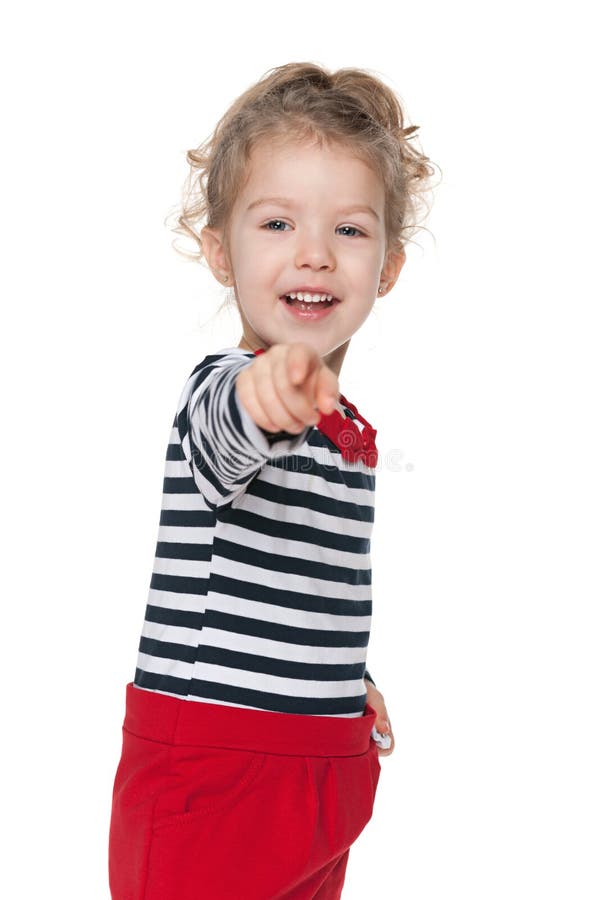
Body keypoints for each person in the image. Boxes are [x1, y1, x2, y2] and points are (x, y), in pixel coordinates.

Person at [108, 61, 437, 900]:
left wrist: (338, 683)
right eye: (279, 223)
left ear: (389, 266)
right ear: (221, 249)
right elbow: (228, 435)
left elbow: (296, 580)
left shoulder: (341, 418)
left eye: (350, 231)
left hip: (323, 771)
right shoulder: (225, 386)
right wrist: (266, 390)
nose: (316, 254)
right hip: (217, 775)